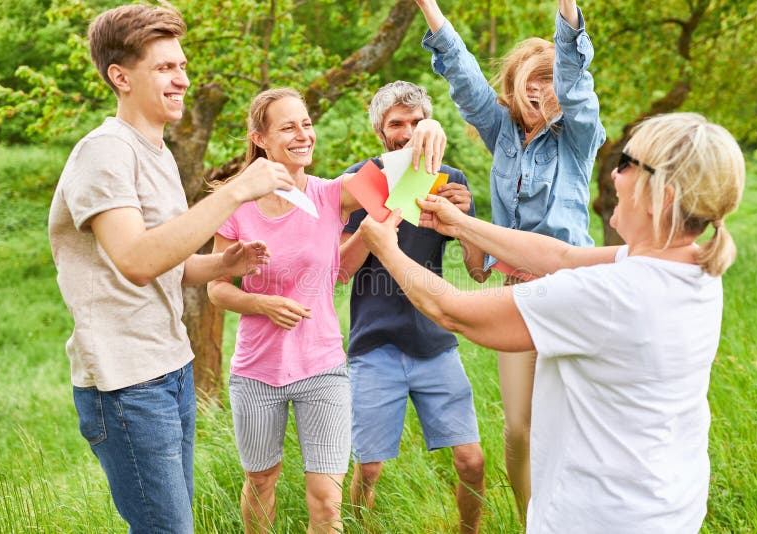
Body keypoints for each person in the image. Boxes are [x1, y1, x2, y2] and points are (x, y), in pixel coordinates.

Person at [358, 112, 745, 533]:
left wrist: (387, 250)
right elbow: (561, 257)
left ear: (661, 196)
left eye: (627, 164)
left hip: (597, 517)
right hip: (665, 506)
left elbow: (453, 310)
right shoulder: (691, 265)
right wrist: (462, 224)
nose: (614, 175)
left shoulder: (611, 294)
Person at [47, 5, 295, 533]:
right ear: (120, 76)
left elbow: (169, 264)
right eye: (164, 68)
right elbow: (136, 260)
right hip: (124, 383)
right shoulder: (104, 153)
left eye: (182, 65)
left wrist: (221, 263)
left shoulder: (156, 151)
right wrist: (235, 192)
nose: (182, 78)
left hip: (171, 369)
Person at [206, 87, 446, 533]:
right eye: (288, 127)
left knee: (327, 503)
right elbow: (217, 290)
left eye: (307, 124)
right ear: (261, 138)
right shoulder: (237, 204)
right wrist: (260, 303)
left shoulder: (330, 195)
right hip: (257, 371)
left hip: (323, 367)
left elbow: (406, 175)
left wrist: (428, 130)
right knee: (261, 481)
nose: (303, 135)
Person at [414, 0, 606, 517]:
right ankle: (532, 521)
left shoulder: (578, 138)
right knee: (519, 427)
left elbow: (576, 80)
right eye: (532, 80)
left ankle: (579, 516)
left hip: (567, 286)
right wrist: (429, 9)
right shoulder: (502, 135)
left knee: (568, 420)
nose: (542, 89)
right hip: (514, 292)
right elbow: (464, 75)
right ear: (517, 88)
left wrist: (567, 14)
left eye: (549, 80)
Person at [338, 81, 487, 533]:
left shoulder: (451, 180)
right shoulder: (355, 181)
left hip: (435, 341)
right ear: (381, 133)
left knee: (471, 460)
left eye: (417, 122)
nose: (407, 132)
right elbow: (340, 271)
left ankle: (470, 530)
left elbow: (478, 270)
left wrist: (463, 223)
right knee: (367, 469)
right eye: (396, 124)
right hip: (373, 344)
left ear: (430, 126)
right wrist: (375, 214)